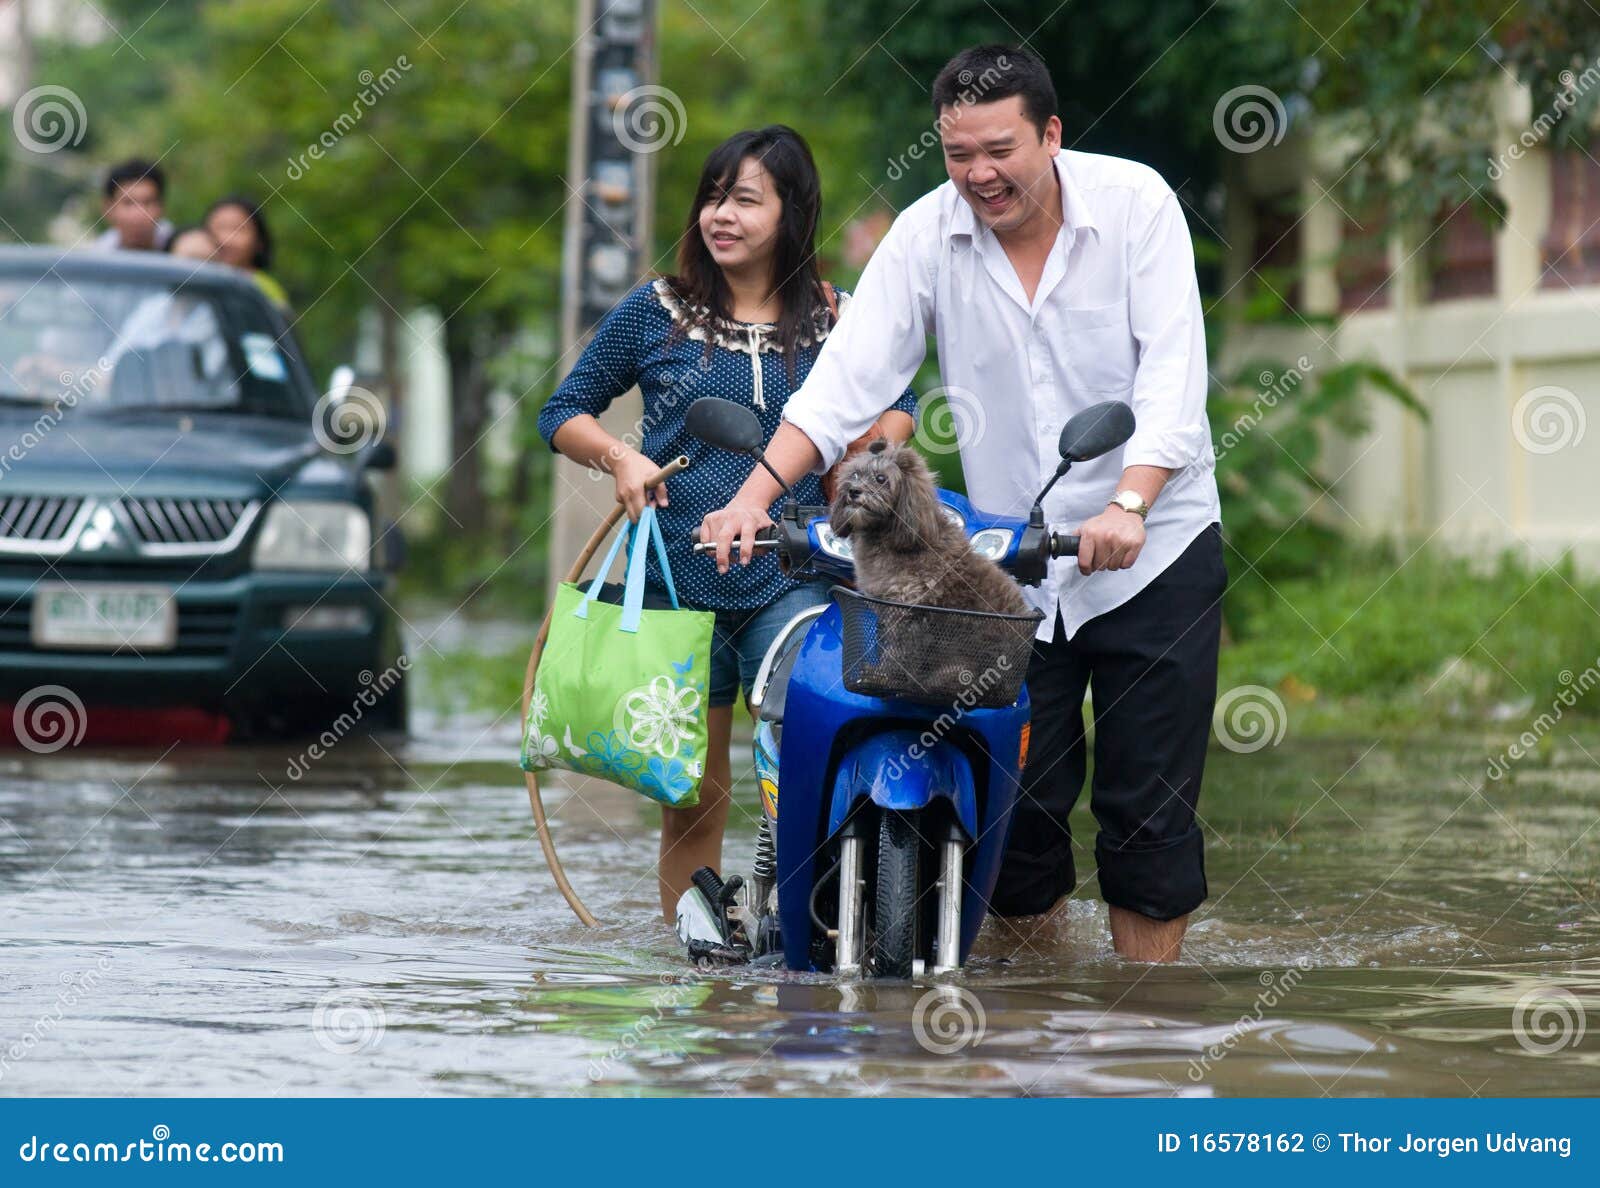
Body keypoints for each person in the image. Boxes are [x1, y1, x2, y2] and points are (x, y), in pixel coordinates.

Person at [698, 46, 1225, 964]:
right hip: (1001, 570)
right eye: (957, 153)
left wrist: (1131, 503)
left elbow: (1174, 376)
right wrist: (751, 498)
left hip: (1154, 549)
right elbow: (841, 387)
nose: (979, 174)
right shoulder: (925, 235)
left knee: (1148, 822)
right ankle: (1031, 1035)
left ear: (1051, 136)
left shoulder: (1138, 206)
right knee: (1013, 822)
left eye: (1000, 149)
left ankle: (1150, 1045)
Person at [538, 125, 919, 922]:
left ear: (793, 213)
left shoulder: (841, 319)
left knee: (808, 767)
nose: (722, 215)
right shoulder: (657, 311)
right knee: (692, 795)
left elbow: (899, 412)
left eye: (745, 199)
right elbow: (563, 411)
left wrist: (859, 458)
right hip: (677, 582)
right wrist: (620, 459)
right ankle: (697, 972)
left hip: (797, 578)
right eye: (714, 196)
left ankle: (808, 942)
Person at [204, 195, 289, 309]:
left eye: (238, 229)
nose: (226, 239)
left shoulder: (264, 289)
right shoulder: (195, 279)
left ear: (259, 241)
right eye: (219, 227)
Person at [95, 159, 172, 251]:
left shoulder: (180, 249)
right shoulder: (98, 254)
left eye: (147, 202)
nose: (139, 214)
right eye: (128, 203)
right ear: (108, 208)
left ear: (161, 207)